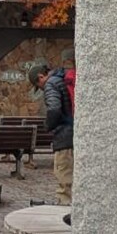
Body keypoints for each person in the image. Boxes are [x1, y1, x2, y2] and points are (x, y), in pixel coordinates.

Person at [27, 62, 74, 206]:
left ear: (40, 77)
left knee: (63, 175)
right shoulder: (61, 80)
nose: (40, 89)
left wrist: (48, 125)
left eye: (38, 86)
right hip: (73, 133)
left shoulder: (50, 85)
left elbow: (54, 109)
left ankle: (64, 207)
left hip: (64, 136)